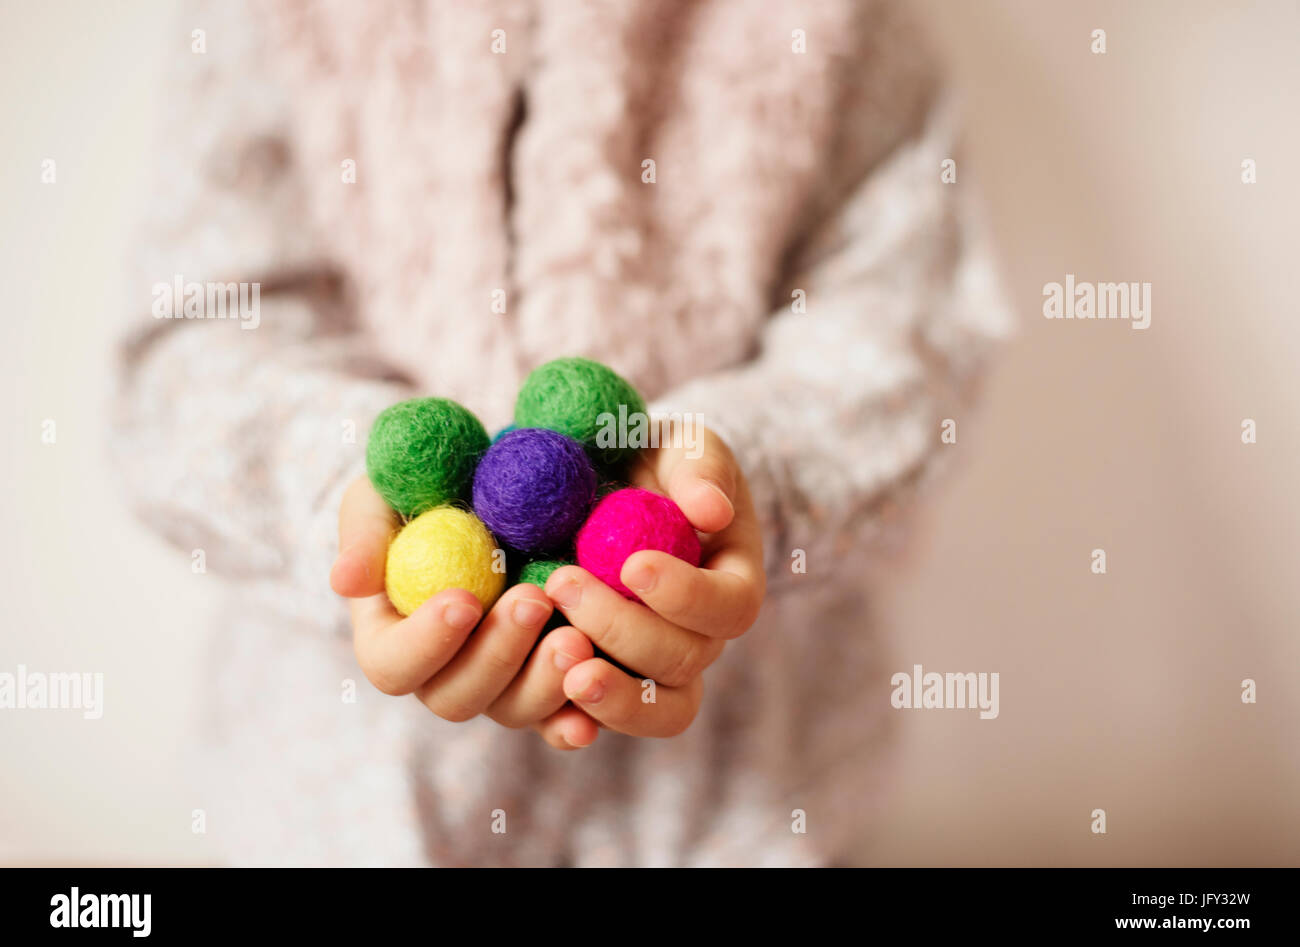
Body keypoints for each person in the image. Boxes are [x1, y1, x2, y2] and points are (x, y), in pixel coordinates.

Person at [115, 0, 1008, 865]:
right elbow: (191, 342)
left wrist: (748, 477)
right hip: (345, 808)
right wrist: (347, 486)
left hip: (748, 808)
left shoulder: (839, 16)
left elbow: (906, 336)